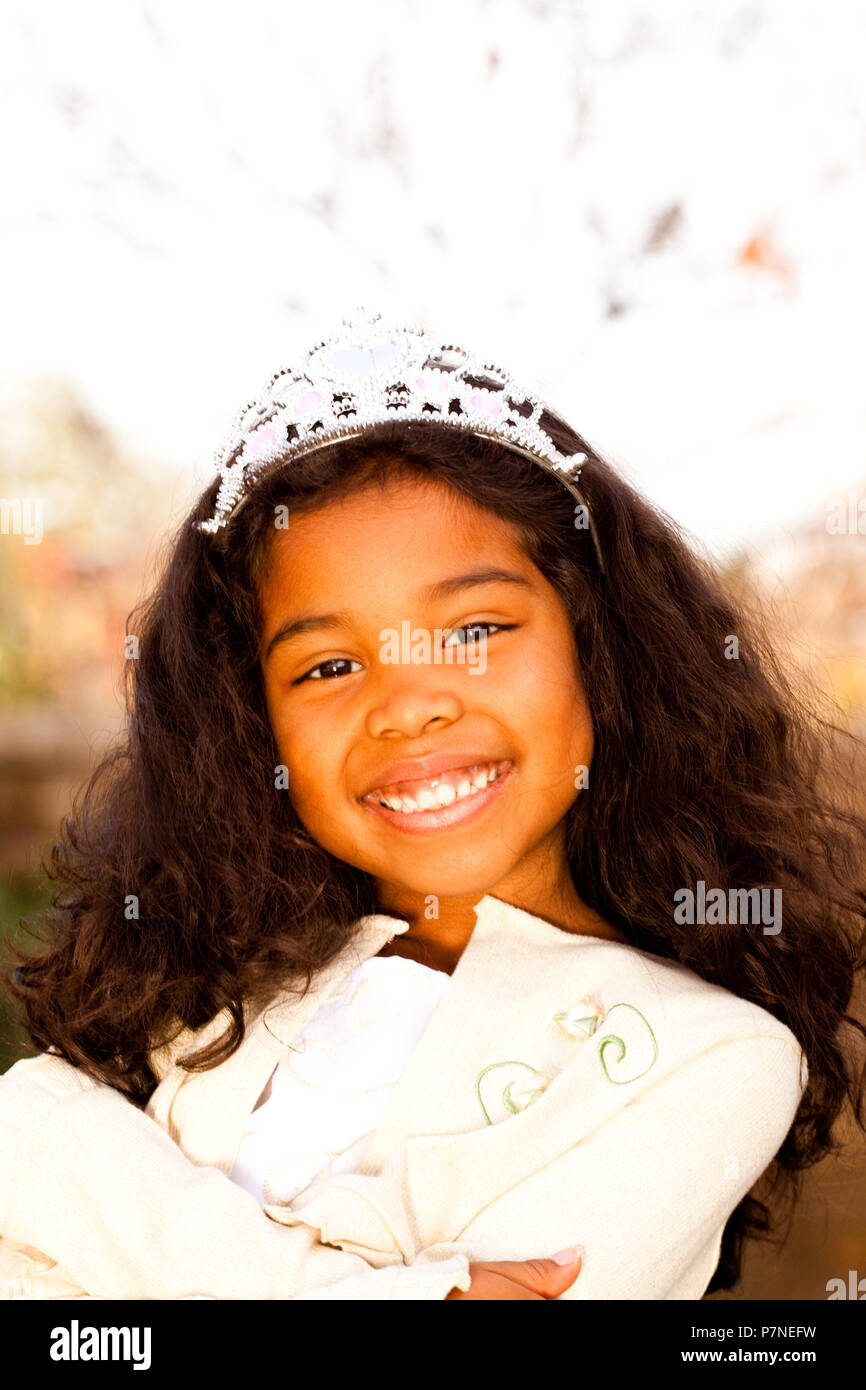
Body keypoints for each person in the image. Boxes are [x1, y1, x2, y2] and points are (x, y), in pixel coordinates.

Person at [1, 310, 864, 1301]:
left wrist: (48, 1144)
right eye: (327, 664)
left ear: (599, 648)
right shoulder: (215, 990)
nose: (408, 701)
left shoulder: (712, 1056)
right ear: (255, 731)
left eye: (474, 628)